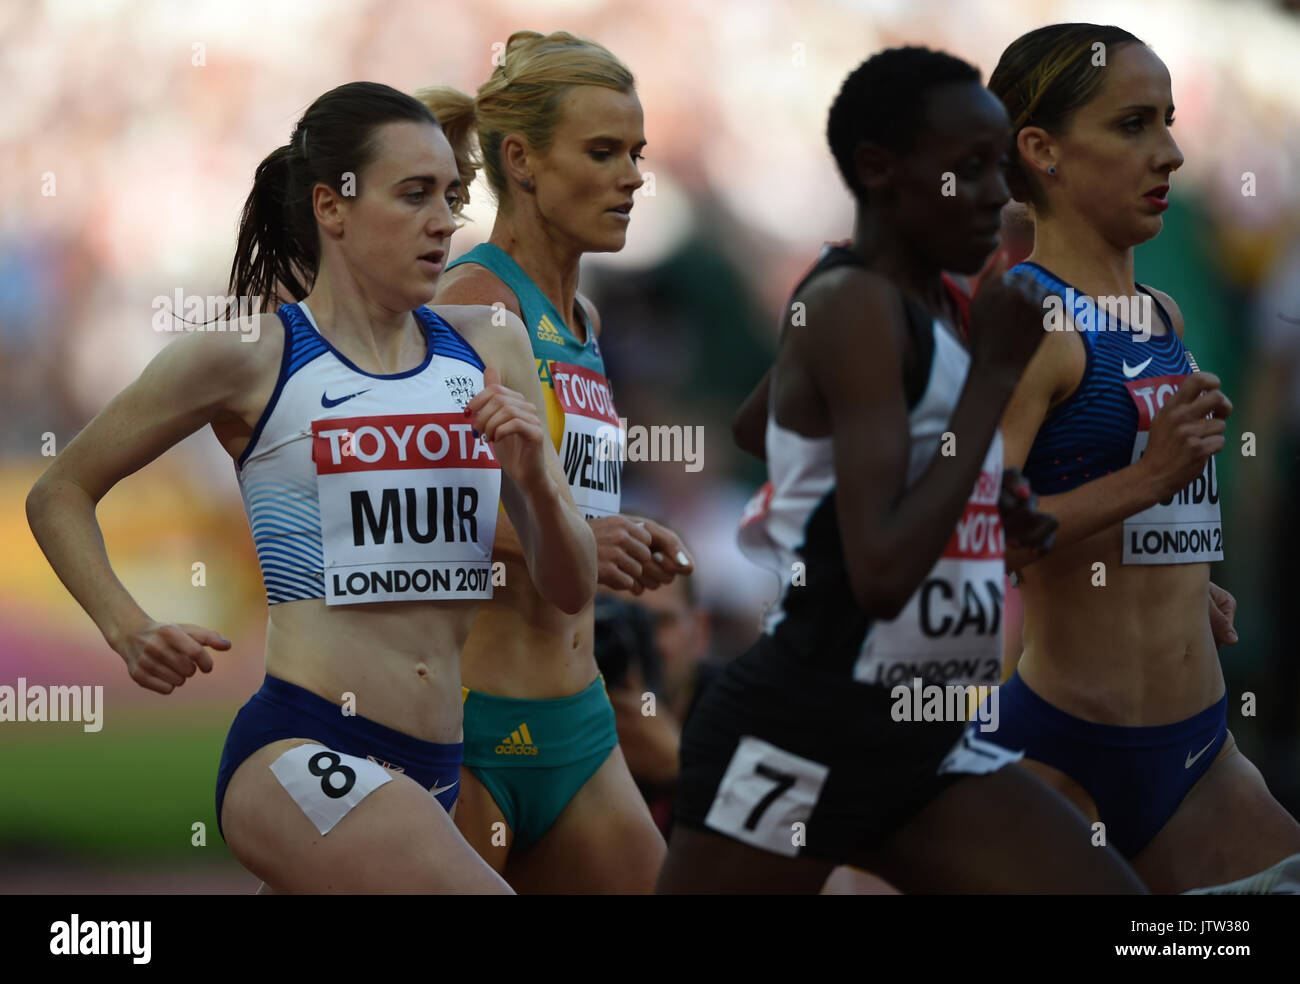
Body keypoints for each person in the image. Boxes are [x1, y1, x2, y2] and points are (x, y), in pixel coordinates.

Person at [24, 81, 597, 894]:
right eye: (415, 195)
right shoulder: (252, 356)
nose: (445, 221)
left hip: (437, 767)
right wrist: (128, 627)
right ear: (333, 206)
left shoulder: (488, 346)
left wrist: (537, 476)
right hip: (301, 746)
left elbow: (570, 584)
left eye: (452, 196)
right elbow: (59, 491)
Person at [657, 47, 1145, 894]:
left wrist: (983, 504)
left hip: (920, 734)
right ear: (880, 171)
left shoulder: (930, 299)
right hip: (806, 728)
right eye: (969, 170)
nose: (999, 194)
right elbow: (880, 574)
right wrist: (991, 380)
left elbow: (757, 426)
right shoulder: (857, 303)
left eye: (1002, 166)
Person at [979, 23, 1300, 892]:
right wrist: (1149, 478)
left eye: (1167, 120)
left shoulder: (1164, 315)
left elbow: (1121, 515)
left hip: (1198, 751)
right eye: (1132, 126)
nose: (1172, 154)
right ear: (1042, 151)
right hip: (1062, 758)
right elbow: (970, 538)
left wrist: (1188, 576)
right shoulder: (1026, 320)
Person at [419, 30, 688, 892]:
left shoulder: (584, 323)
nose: (634, 177)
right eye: (603, 152)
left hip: (577, 721)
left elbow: (561, 496)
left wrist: (615, 532)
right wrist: (565, 536)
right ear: (522, 162)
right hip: (473, 727)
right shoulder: (468, 303)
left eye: (637, 154)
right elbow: (407, 505)